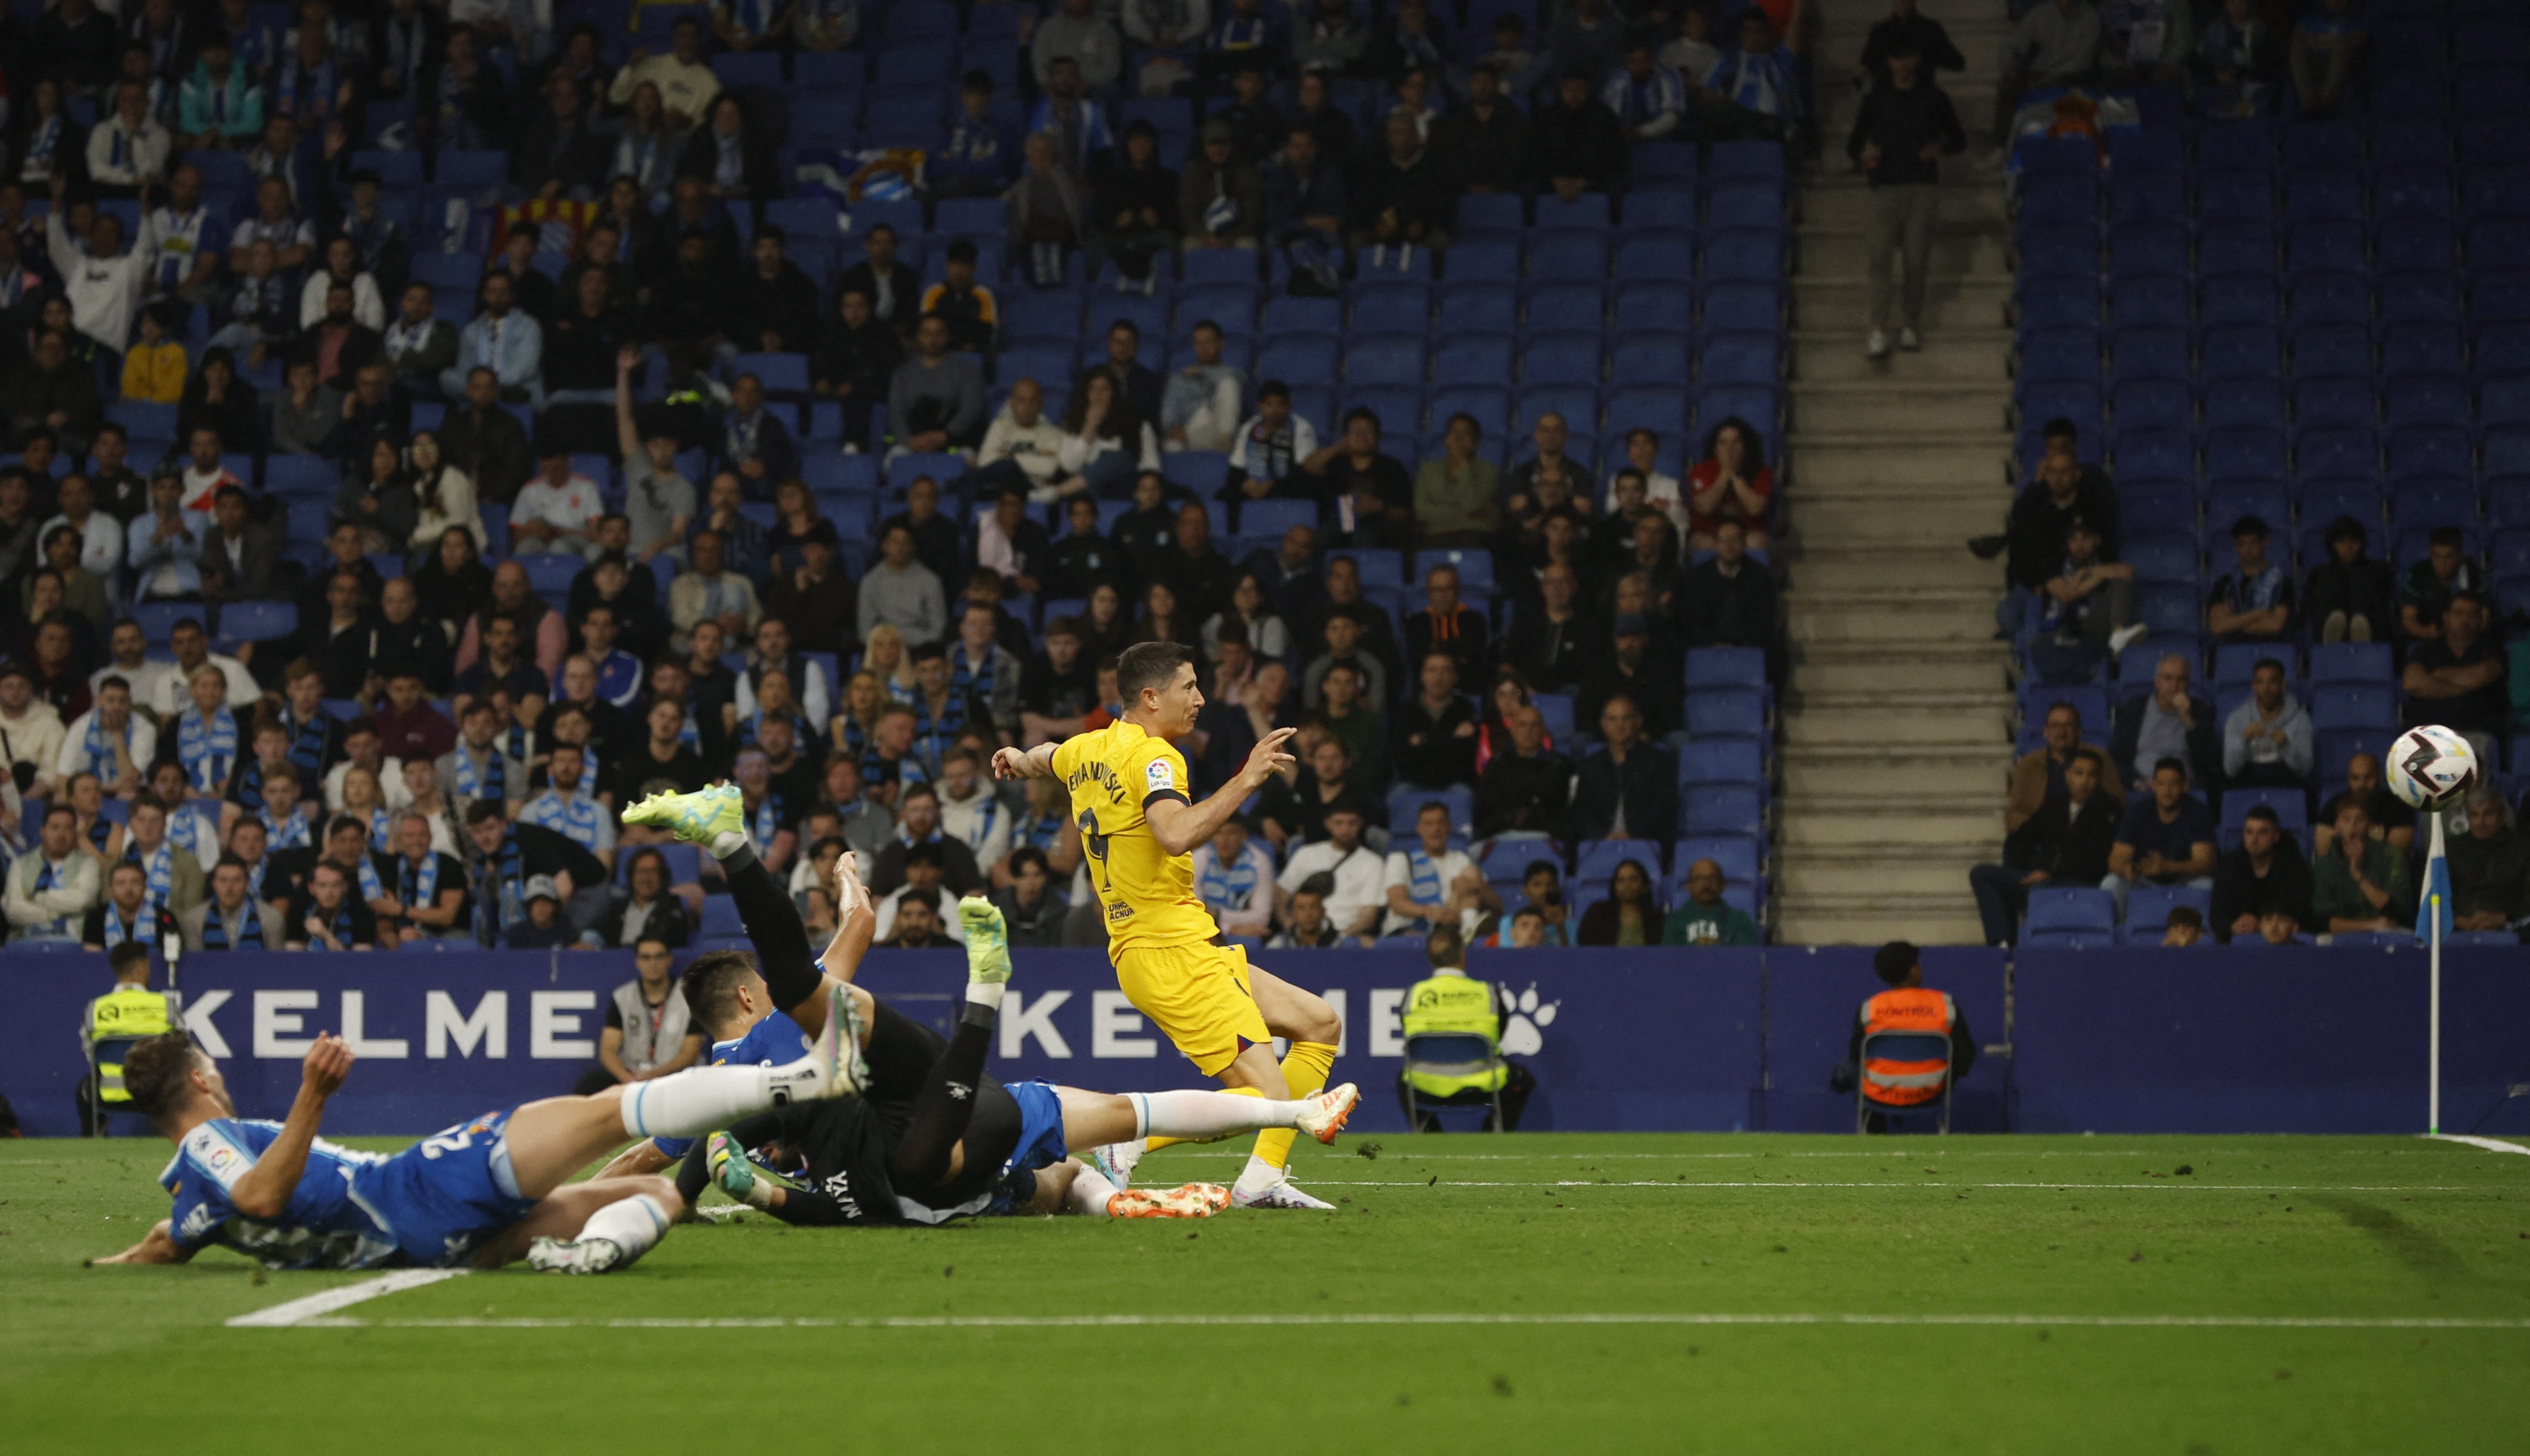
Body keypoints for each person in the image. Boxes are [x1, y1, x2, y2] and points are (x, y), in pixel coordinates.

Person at [627, 787, 1356, 1221]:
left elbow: (663, 1153)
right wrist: (848, 875)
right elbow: (857, 925)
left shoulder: (723, 1094)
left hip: (924, 1161)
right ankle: (1287, 1113)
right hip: (948, 1096)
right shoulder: (788, 1013)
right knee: (1133, 1110)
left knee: (1020, 1174)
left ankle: (1095, 1173)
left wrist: (679, 1193)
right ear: (747, 993)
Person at [989, 641, 1349, 1207]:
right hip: (1167, 948)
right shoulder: (1156, 758)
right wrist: (1248, 776)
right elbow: (1175, 833)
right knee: (1266, 1091)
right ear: (1151, 697)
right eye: (1189, 687)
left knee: (1320, 1023)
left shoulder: (1086, 749)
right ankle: (1166, 1153)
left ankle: (1228, 1169)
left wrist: (1015, 755)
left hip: (1170, 945)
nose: (1201, 698)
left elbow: (1046, 755)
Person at [1847, 44, 1964, 358]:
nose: (1903, 64)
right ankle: (1878, 327)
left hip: (1920, 187)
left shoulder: (1935, 98)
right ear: (1889, 61)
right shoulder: (1876, 99)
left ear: (1918, 59)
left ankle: (1911, 323)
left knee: (1915, 261)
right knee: (1879, 261)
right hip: (1883, 188)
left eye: (1909, 56)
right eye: (1897, 57)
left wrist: (1939, 147)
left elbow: (1958, 139)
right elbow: (1854, 144)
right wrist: (1865, 154)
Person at [1970, 746, 2119, 945]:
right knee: (1982, 874)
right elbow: (2019, 840)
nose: (2085, 781)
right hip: (2040, 877)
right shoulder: (2055, 805)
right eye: (2079, 773)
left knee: (2040, 888)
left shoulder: (2109, 811)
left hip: (2077, 884)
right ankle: (2002, 944)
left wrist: (2050, 872)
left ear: (2100, 779)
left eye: (2091, 775)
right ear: (2068, 776)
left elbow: (2096, 859)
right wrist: (2032, 867)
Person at [1396, 922, 1537, 1132]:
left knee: (1403, 1080)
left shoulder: (1414, 994)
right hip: (1482, 1084)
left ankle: (1430, 1134)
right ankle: (1493, 1132)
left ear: (1430, 958)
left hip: (1425, 1086)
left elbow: (1406, 1028)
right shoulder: (1487, 993)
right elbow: (1499, 1033)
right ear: (1462, 954)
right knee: (1521, 1079)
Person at [1838, 941, 1977, 1133]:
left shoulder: (1870, 1007)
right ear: (1913, 971)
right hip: (1931, 1092)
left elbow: (1857, 1055)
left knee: (1851, 1071)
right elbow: (1966, 1057)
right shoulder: (1945, 1004)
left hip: (1879, 1093)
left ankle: (1873, 1138)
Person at [2103, 757, 2218, 920]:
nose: (2167, 790)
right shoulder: (2137, 811)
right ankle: (2122, 937)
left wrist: (2168, 867)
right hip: (2143, 879)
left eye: (2174, 784)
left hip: (2183, 880)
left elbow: (2205, 863)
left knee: (2206, 885)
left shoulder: (2199, 813)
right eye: (2162, 784)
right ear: (2153, 785)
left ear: (2185, 786)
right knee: (2112, 883)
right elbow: (2115, 860)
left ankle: (2198, 939)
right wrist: (2126, 869)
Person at [2403, 592, 2507, 765]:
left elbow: (2482, 676)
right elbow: (2411, 683)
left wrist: (2437, 678)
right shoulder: (2427, 649)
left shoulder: (2492, 649)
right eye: (2458, 613)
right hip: (2429, 735)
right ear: (2447, 618)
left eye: (2471, 614)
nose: (2464, 620)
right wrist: (2465, 687)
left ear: (2482, 620)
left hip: (2476, 735)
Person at [2109, 653, 2220, 797]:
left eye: (2181, 680)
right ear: (2157, 681)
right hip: (2142, 788)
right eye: (2168, 678)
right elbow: (2118, 756)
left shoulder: (2200, 711)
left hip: (2185, 790)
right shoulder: (2134, 709)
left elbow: (2207, 761)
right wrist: (2134, 782)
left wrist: (2188, 720)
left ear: (2188, 684)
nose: (2174, 686)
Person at [2008, 700, 2120, 833]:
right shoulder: (2028, 764)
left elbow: (2117, 805)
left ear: (2079, 731)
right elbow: (2014, 815)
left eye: (2068, 726)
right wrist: (2041, 827)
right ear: (2045, 732)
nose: (2062, 732)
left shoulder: (2101, 759)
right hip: (2042, 838)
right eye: (2055, 726)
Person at [2208, 804, 2314, 944]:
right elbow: (2217, 914)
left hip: (2284, 944)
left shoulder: (2295, 867)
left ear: (2276, 836)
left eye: (2263, 832)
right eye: (2249, 832)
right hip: (2238, 945)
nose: (2254, 839)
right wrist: (2232, 926)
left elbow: (2302, 913)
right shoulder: (2230, 866)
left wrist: (2262, 925)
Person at [2312, 796, 2410, 934]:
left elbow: (2393, 910)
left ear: (2370, 825)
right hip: (2343, 937)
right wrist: (2370, 925)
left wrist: (2358, 875)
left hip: (2387, 933)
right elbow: (2325, 921)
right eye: (2346, 819)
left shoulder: (2390, 855)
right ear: (2337, 825)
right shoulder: (2325, 864)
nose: (2353, 826)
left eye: (2360, 819)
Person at [6, 804, 101, 942]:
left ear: (75, 833)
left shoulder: (88, 864)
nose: (61, 834)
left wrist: (36, 897)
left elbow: (81, 901)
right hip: (26, 943)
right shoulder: (20, 865)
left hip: (74, 943)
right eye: (55, 827)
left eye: (68, 828)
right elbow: (13, 910)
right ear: (43, 831)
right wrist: (54, 914)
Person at [2222, 658, 2314, 790]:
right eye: (2260, 682)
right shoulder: (2236, 719)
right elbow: (2230, 771)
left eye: (2273, 681)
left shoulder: (2301, 719)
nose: (2266, 688)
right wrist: (2244, 740)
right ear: (2254, 687)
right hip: (2248, 784)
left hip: (2286, 784)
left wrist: (2286, 746)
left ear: (2283, 684)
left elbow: (2305, 771)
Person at [2303, 516, 2395, 646]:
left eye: (2354, 541)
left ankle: (2361, 631)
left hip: (2373, 631)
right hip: (2328, 622)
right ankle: (2331, 640)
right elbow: (2311, 610)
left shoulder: (2379, 571)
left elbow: (2384, 607)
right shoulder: (2319, 574)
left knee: (2363, 577)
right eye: (2341, 542)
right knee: (2328, 589)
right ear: (2332, 545)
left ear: (2362, 544)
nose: (2348, 547)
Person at [2446, 790, 2527, 937]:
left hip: (2512, 927)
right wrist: (2458, 919)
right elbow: (2438, 894)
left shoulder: (2523, 849)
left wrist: (2503, 918)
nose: (2480, 822)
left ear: (2502, 817)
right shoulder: (2452, 849)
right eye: (2474, 815)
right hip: (2458, 926)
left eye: (2488, 814)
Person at [2207, 514, 2295, 645]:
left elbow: (2275, 625)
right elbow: (2217, 627)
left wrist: (2233, 622)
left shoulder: (2282, 582)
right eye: (2242, 544)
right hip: (2233, 651)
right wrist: (2258, 615)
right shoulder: (2225, 584)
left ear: (2265, 543)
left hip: (2273, 649)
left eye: (2253, 543)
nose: (2247, 550)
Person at [1663, 857, 1762, 946]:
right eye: (1699, 879)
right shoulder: (1675, 921)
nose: (1706, 885)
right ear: (1689, 887)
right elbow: (1668, 959)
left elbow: (1746, 958)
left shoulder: (1739, 920)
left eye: (1712, 879)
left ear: (1723, 885)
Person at [1576, 857, 1664, 946]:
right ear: (1614, 886)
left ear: (1644, 886)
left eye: (1633, 879)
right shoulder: (1597, 913)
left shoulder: (1656, 918)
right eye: (1621, 880)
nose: (1627, 885)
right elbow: (1585, 948)